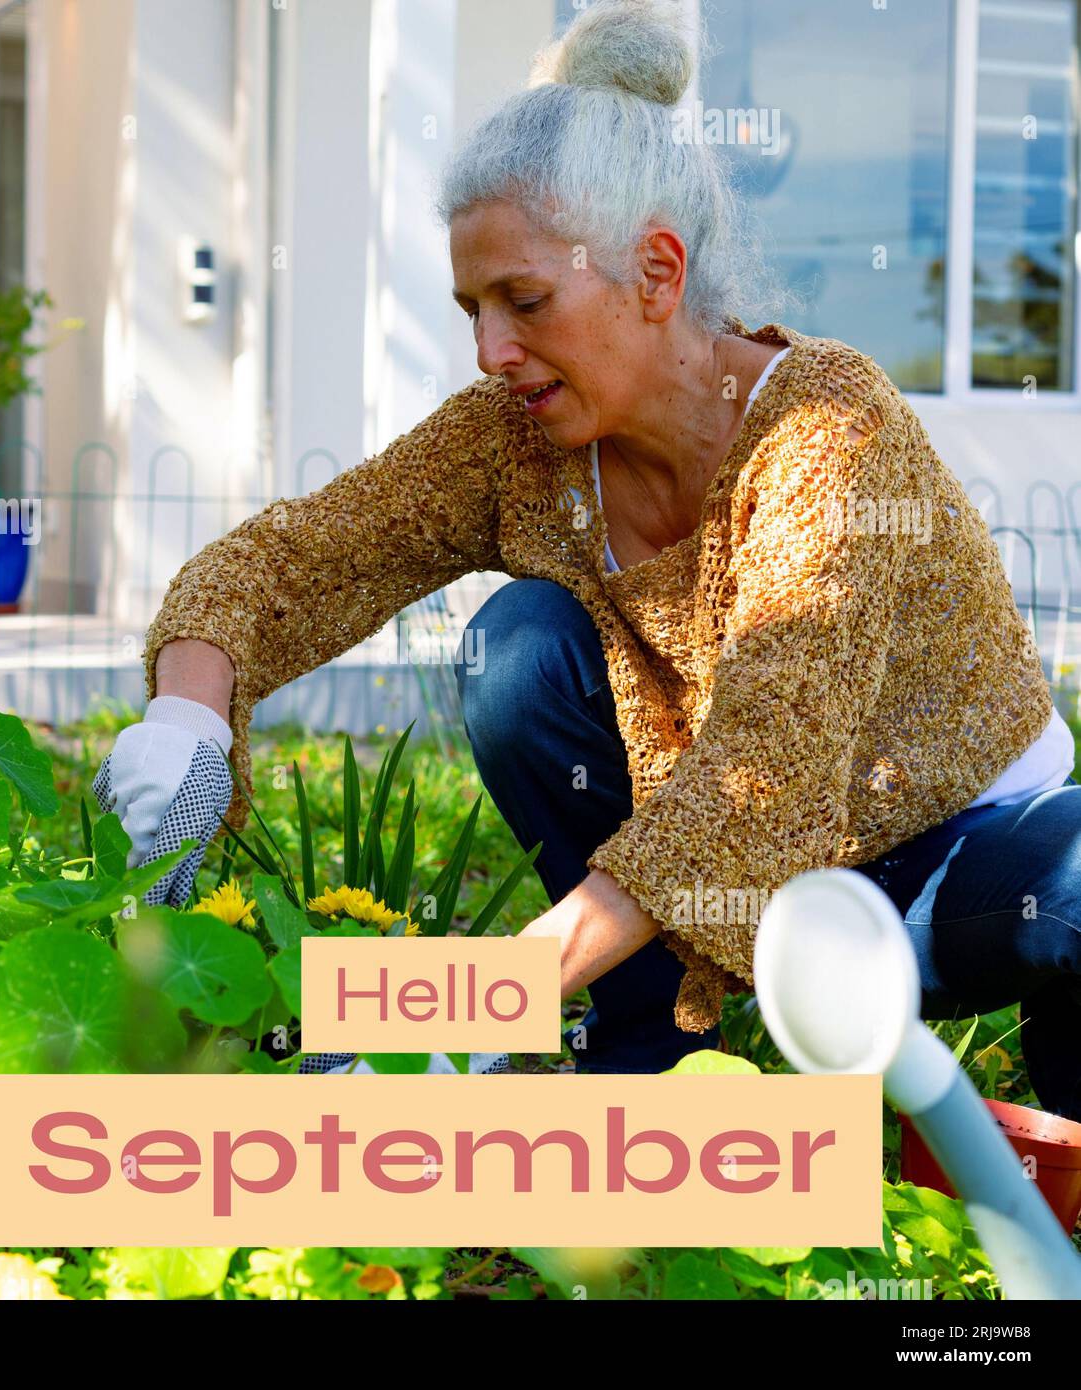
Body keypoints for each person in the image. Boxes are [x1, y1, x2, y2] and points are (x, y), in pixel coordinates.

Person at [93, 0, 1081, 1117]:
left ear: (657, 274)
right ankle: (639, 1052)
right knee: (518, 647)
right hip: (697, 874)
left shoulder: (826, 428)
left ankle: (1051, 1176)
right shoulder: (512, 439)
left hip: (931, 868)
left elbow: (763, 770)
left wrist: (480, 1000)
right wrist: (184, 718)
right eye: (472, 307)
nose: (490, 349)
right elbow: (291, 561)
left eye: (525, 301)